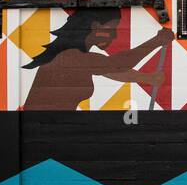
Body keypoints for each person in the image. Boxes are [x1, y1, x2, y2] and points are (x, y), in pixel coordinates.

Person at [22, 8, 174, 110]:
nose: (114, 35)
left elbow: (112, 71)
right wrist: (157, 41)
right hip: (47, 132)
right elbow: (118, 65)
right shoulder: (70, 56)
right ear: (95, 26)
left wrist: (146, 78)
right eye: (111, 29)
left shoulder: (74, 57)